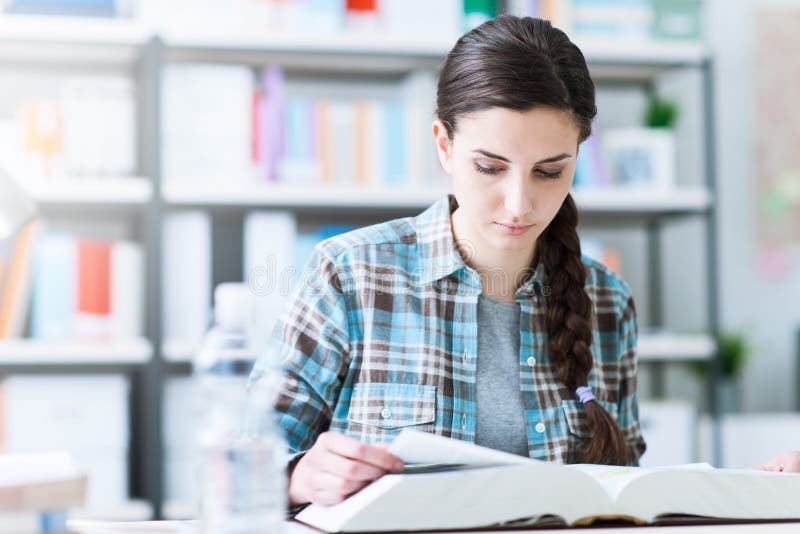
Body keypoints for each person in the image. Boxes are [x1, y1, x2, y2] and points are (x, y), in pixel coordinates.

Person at [246, 15, 799, 509]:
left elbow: (619, 498)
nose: (519, 204)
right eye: (490, 167)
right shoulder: (350, 275)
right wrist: (299, 476)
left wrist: (737, 495)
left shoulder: (606, 301)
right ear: (443, 144)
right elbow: (243, 464)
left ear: (579, 153)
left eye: (549, 171)